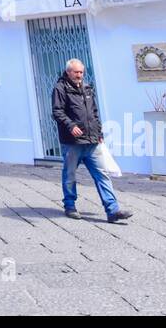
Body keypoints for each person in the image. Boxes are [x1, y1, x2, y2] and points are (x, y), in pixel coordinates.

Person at [53, 58, 132, 223]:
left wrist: (98, 132)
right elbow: (57, 111)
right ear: (68, 72)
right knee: (70, 175)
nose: (79, 75)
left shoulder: (87, 88)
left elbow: (94, 112)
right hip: (72, 142)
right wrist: (71, 126)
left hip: (92, 141)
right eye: (76, 72)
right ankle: (70, 206)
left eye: (81, 72)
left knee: (102, 175)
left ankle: (113, 210)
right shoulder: (60, 88)